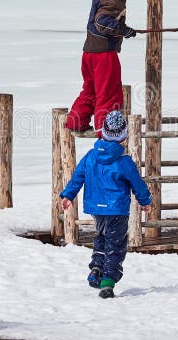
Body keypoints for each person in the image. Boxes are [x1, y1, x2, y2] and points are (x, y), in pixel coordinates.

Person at [60, 110, 152, 298]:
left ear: (102, 132)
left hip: (96, 208)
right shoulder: (124, 161)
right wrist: (146, 202)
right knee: (115, 244)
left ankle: (96, 269)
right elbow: (137, 184)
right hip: (116, 210)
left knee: (101, 238)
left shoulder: (91, 156)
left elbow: (77, 177)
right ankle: (107, 282)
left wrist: (68, 195)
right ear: (124, 136)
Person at [65, 0, 138, 132]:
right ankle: (105, 131)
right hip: (104, 53)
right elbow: (102, 22)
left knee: (90, 90)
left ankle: (76, 122)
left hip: (89, 51)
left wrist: (123, 30)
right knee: (108, 92)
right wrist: (123, 29)